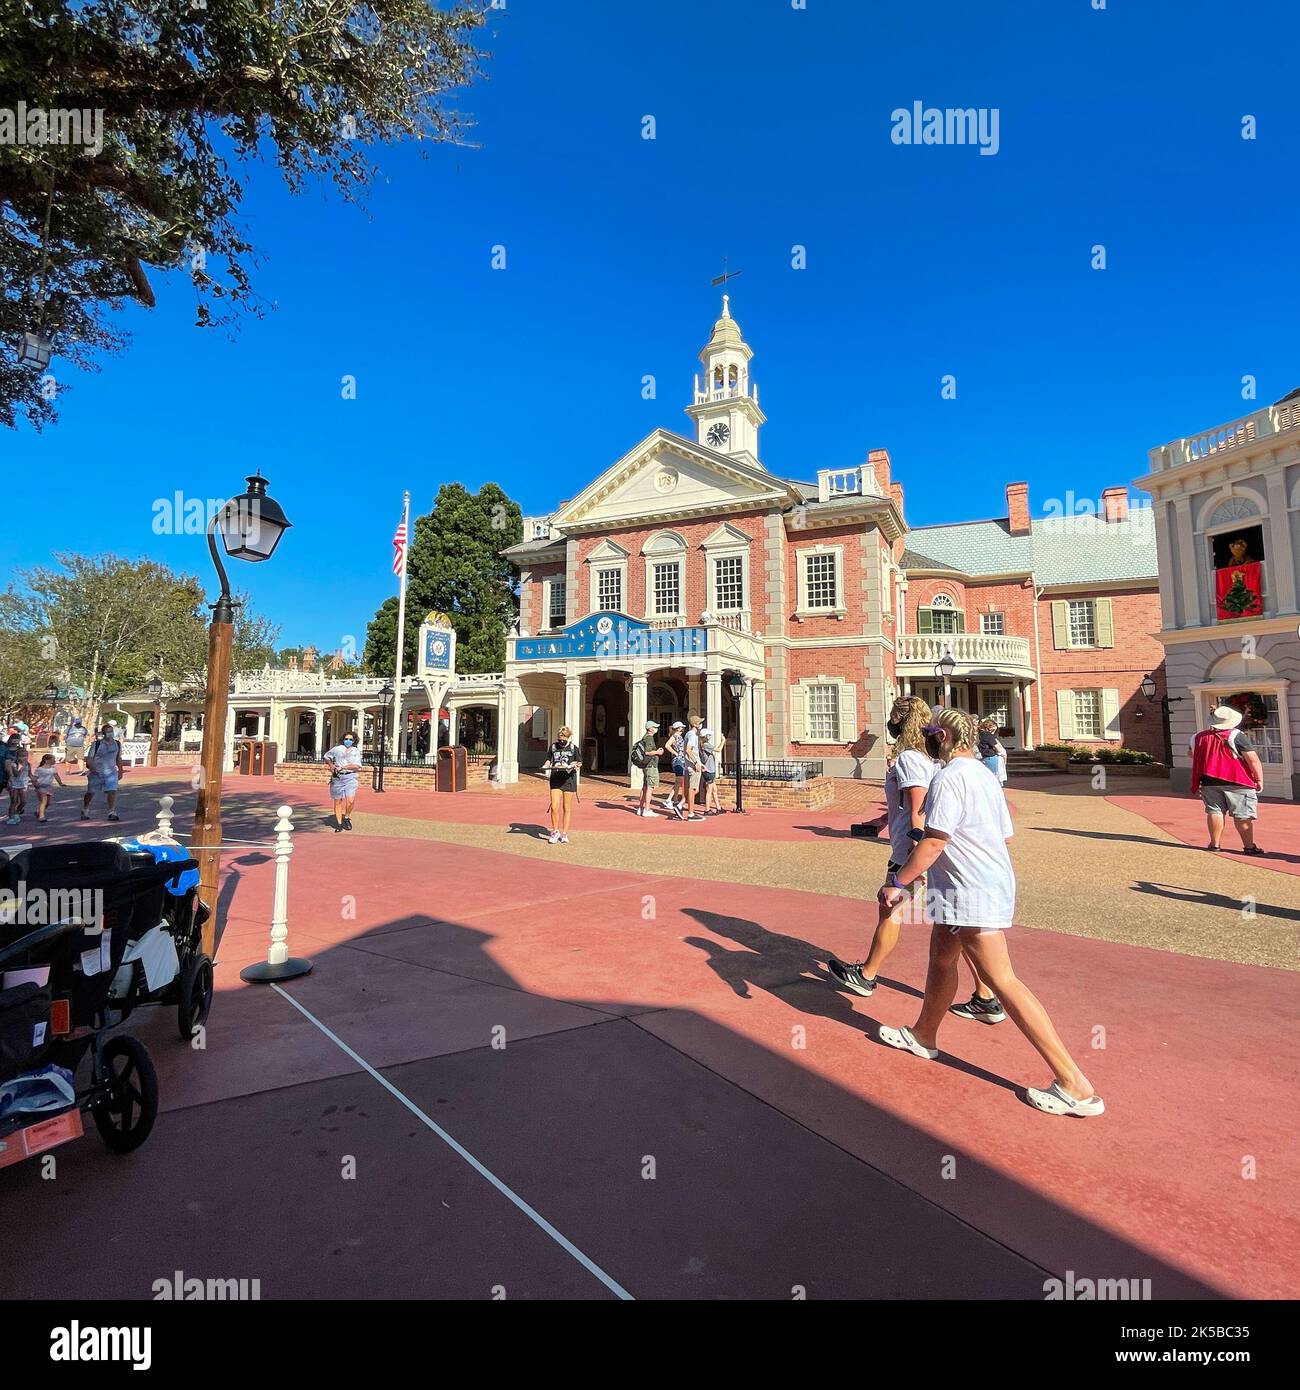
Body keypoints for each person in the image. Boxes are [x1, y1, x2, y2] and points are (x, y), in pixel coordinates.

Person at [874, 707, 1103, 1117]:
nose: (925, 737)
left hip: (970, 892)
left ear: (943, 736)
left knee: (1003, 980)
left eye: (930, 732)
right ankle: (924, 1034)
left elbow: (933, 842)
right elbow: (1005, 837)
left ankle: (1074, 1083)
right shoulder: (984, 774)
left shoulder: (949, 777)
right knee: (942, 958)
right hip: (973, 885)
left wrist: (898, 883)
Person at [1189, 705, 1266, 855]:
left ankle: (1215, 844)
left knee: (1214, 811)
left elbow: (1192, 754)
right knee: (1242, 814)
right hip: (1237, 780)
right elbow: (1253, 760)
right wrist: (1259, 779)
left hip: (1208, 780)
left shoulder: (1198, 737)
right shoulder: (1237, 736)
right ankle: (1249, 846)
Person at [541, 725, 580, 844]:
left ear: (568, 737)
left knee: (566, 808)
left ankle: (565, 833)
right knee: (554, 806)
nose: (561, 741)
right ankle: (555, 831)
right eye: (560, 739)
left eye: (564, 739)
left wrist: (575, 765)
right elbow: (549, 759)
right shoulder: (553, 747)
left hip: (568, 779)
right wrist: (546, 765)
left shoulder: (574, 748)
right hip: (556, 779)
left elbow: (579, 762)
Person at [81, 724, 126, 822]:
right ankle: (85, 809)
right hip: (96, 772)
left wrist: (121, 771)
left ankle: (111, 812)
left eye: (111, 731)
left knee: (112, 791)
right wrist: (92, 767)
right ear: (104, 733)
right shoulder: (97, 744)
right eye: (107, 732)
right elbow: (89, 758)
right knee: (91, 792)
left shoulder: (117, 744)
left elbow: (118, 758)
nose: (110, 734)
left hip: (111, 772)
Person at [323, 731, 363, 831]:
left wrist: (343, 767)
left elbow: (357, 765)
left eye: (350, 739)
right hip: (338, 778)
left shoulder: (355, 751)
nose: (348, 741)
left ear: (354, 741)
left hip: (350, 777)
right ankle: (339, 824)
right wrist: (331, 765)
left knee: (350, 800)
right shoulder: (337, 749)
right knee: (338, 801)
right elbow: (326, 756)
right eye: (346, 739)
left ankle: (346, 817)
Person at [631, 721, 663, 817]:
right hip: (651, 766)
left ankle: (641, 808)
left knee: (645, 787)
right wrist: (657, 752)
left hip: (646, 766)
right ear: (650, 728)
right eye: (654, 727)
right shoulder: (649, 738)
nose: (656, 729)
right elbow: (647, 752)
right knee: (650, 787)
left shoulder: (644, 737)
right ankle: (647, 809)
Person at [682, 714, 706, 822]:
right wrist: (696, 762)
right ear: (695, 724)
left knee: (693, 789)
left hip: (691, 765)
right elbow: (688, 750)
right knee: (693, 790)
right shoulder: (692, 735)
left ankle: (681, 805)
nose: (701, 724)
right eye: (700, 722)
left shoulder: (688, 734)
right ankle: (690, 813)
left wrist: (700, 763)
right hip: (692, 766)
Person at [663, 721, 687, 818]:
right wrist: (675, 753)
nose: (682, 729)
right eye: (681, 727)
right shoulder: (674, 737)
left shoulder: (679, 737)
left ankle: (675, 800)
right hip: (678, 761)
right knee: (679, 781)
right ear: (678, 728)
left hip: (682, 760)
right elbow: (667, 745)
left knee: (679, 781)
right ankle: (669, 799)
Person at [33, 754, 65, 823]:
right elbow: (34, 778)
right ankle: (41, 816)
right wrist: (35, 784)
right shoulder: (39, 769)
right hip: (41, 787)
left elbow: (56, 776)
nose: (54, 760)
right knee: (43, 801)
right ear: (47, 760)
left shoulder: (53, 769)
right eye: (53, 759)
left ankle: (39, 811)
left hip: (49, 787)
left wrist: (60, 783)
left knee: (48, 803)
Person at [5, 740, 31, 824]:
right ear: (17, 756)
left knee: (23, 801)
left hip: (23, 784)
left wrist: (36, 781)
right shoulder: (14, 764)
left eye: (26, 756)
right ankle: (11, 817)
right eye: (22, 756)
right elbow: (16, 774)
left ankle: (17, 813)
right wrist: (21, 766)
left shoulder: (28, 764)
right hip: (15, 784)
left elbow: (30, 774)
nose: (24, 758)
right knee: (14, 801)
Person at [976, 718, 1008, 785]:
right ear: (988, 727)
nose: (993, 733)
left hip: (981, 757)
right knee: (993, 779)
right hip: (990, 758)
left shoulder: (978, 734)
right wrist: (1003, 756)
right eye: (992, 730)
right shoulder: (988, 735)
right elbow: (998, 748)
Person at [701, 727, 724, 814]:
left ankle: (718, 807)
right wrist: (723, 741)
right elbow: (718, 750)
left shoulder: (703, 744)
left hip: (710, 769)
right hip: (709, 770)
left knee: (714, 789)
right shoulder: (705, 745)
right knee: (709, 790)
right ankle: (707, 810)